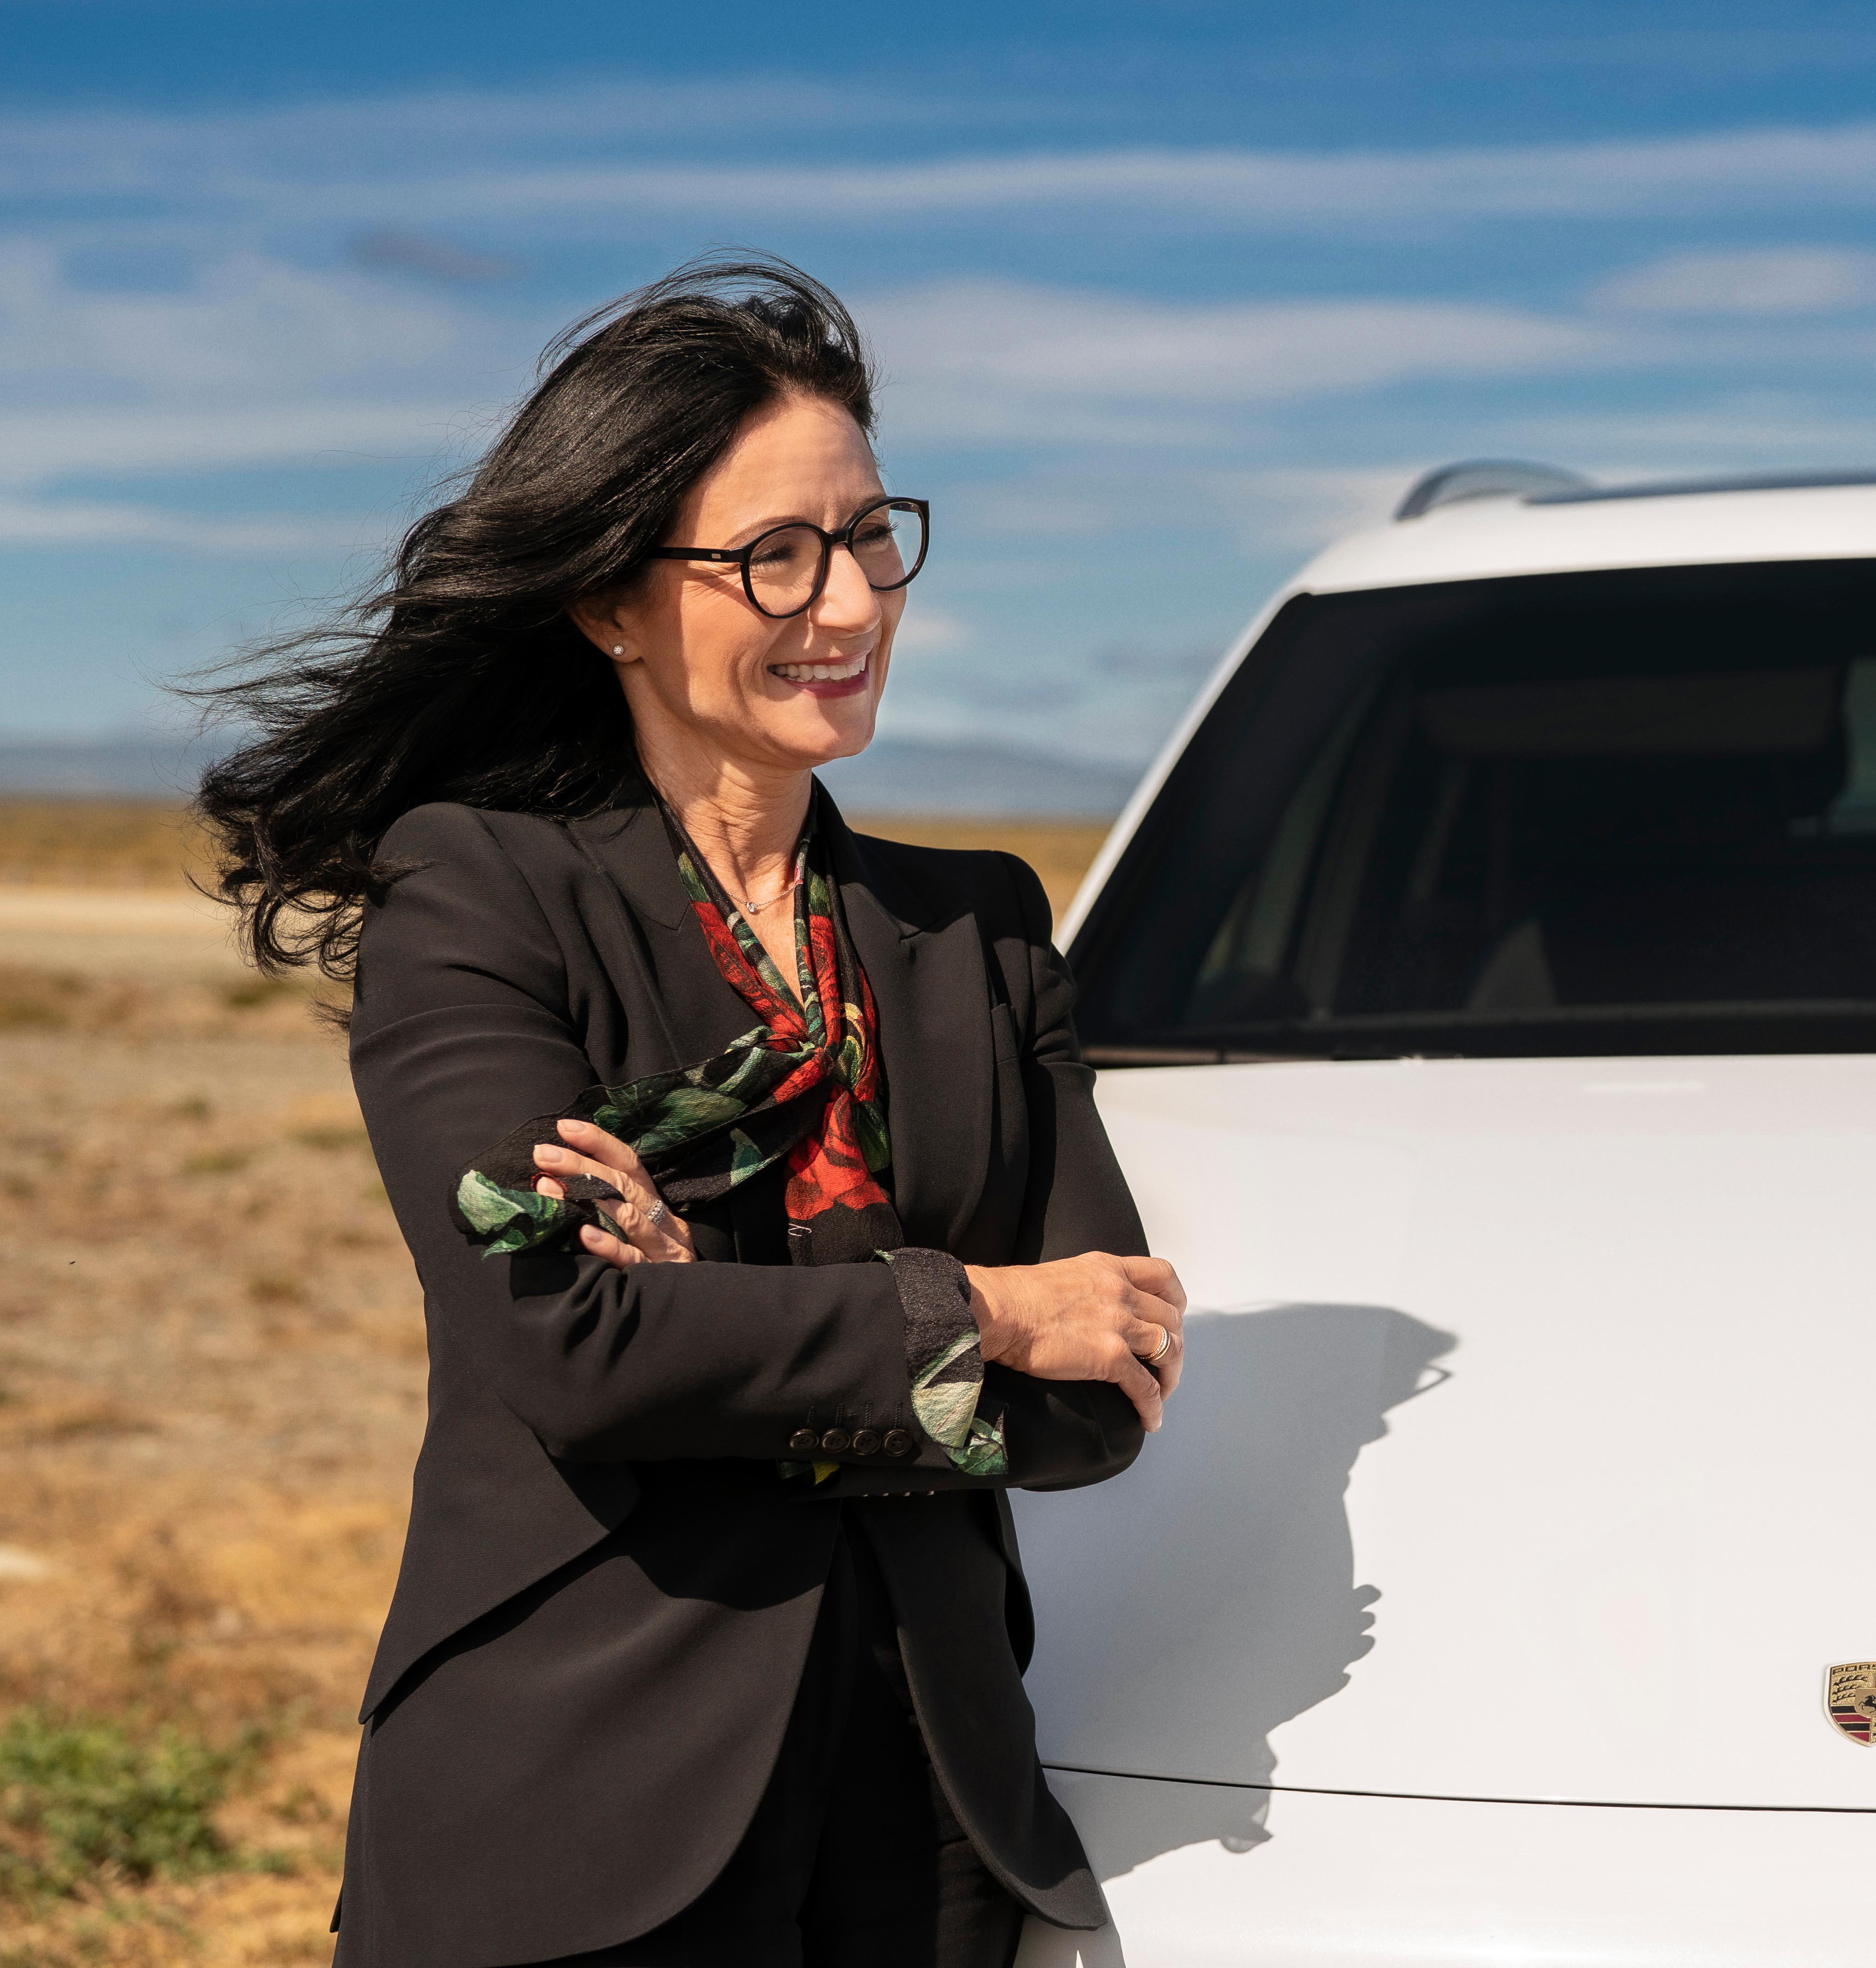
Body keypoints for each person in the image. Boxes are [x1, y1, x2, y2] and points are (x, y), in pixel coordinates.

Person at [197, 259, 1185, 1968]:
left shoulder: (982, 926)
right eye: (774, 556)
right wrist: (975, 1315)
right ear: (607, 604)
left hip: (928, 1814)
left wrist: (732, 1338)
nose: (851, 602)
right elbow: (574, 1353)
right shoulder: (483, 893)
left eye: (873, 537)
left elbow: (1103, 1390)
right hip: (585, 1795)